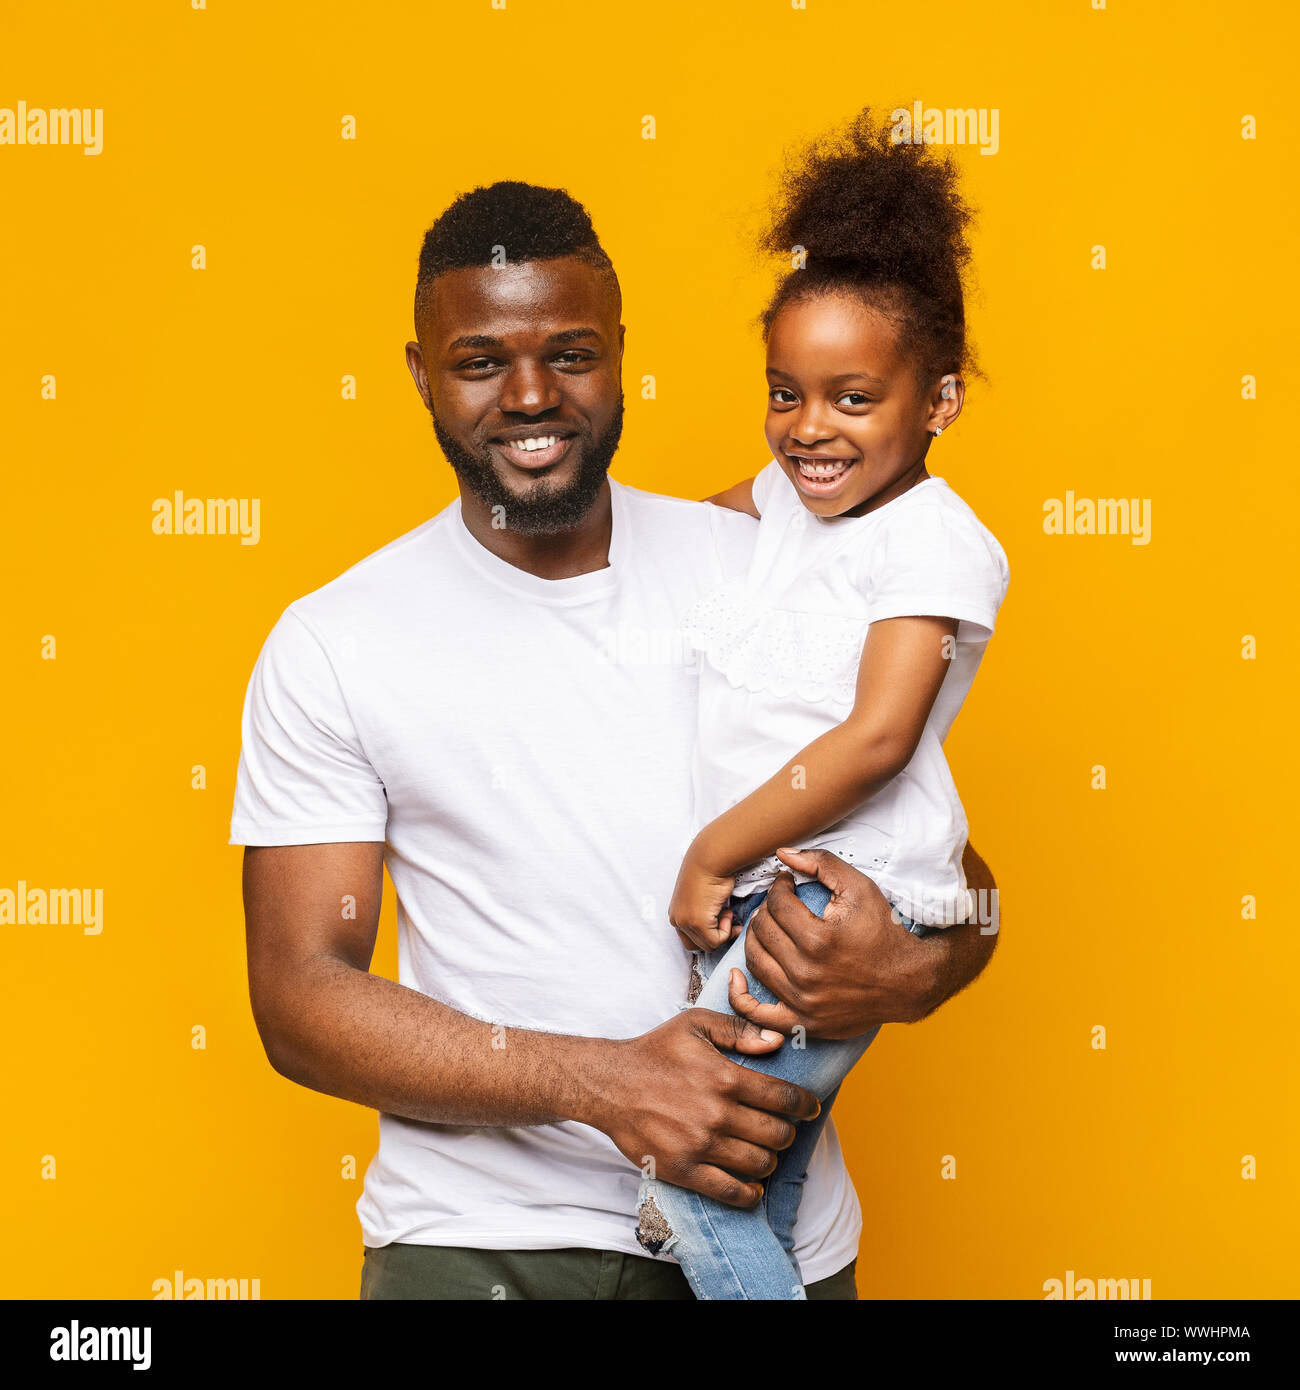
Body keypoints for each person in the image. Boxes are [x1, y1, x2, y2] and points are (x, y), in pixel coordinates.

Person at [231, 179, 1001, 1301]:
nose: (531, 396)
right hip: (482, 1248)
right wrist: (602, 1086)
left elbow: (939, 863)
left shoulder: (763, 559)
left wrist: (915, 962)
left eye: (572, 354)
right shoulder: (335, 643)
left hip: (781, 1240)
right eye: (481, 360)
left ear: (622, 352)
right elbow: (299, 994)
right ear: (419, 374)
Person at [632, 108, 1009, 1299]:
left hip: (825, 898)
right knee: (755, 1186)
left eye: (852, 397)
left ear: (938, 402)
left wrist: (712, 851)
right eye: (785, 393)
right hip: (776, 881)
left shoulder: (936, 544)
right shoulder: (794, 503)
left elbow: (878, 736)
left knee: (693, 1183)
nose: (809, 429)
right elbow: (675, 533)